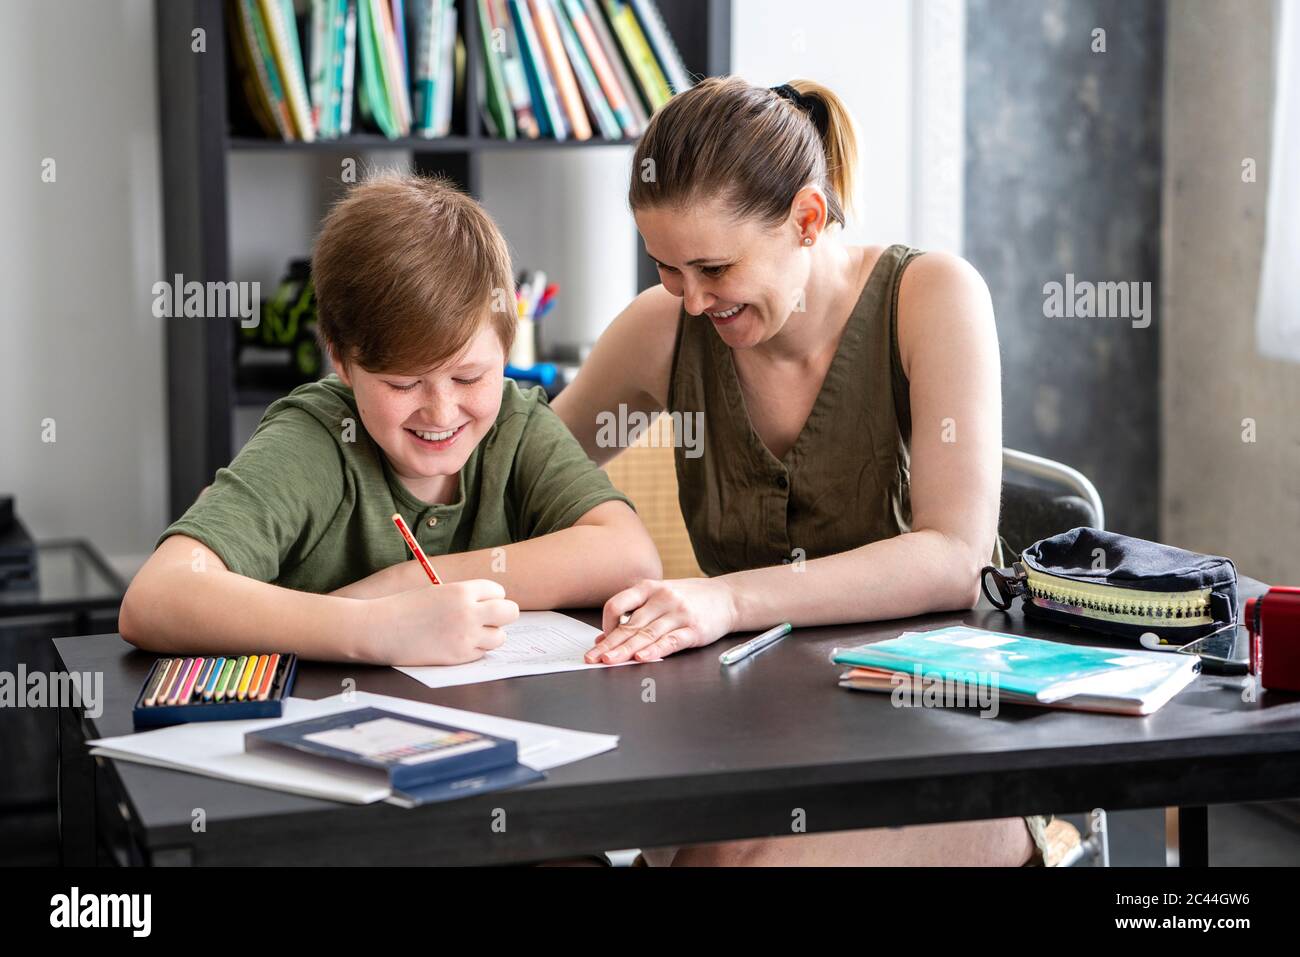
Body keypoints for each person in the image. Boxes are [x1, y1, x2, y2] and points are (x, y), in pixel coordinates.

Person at [554, 77, 1047, 866]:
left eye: (713, 268)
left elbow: (955, 557)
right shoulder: (664, 329)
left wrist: (727, 597)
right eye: (667, 269)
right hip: (758, 735)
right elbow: (529, 468)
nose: (690, 301)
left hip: (951, 734)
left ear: (808, 219)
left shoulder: (932, 297)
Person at [121, 173, 661, 666]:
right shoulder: (318, 440)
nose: (442, 412)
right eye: (403, 384)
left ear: (506, 344)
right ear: (342, 361)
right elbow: (155, 598)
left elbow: (629, 557)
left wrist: (404, 584)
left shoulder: (517, 426)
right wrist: (371, 626)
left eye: (470, 378)